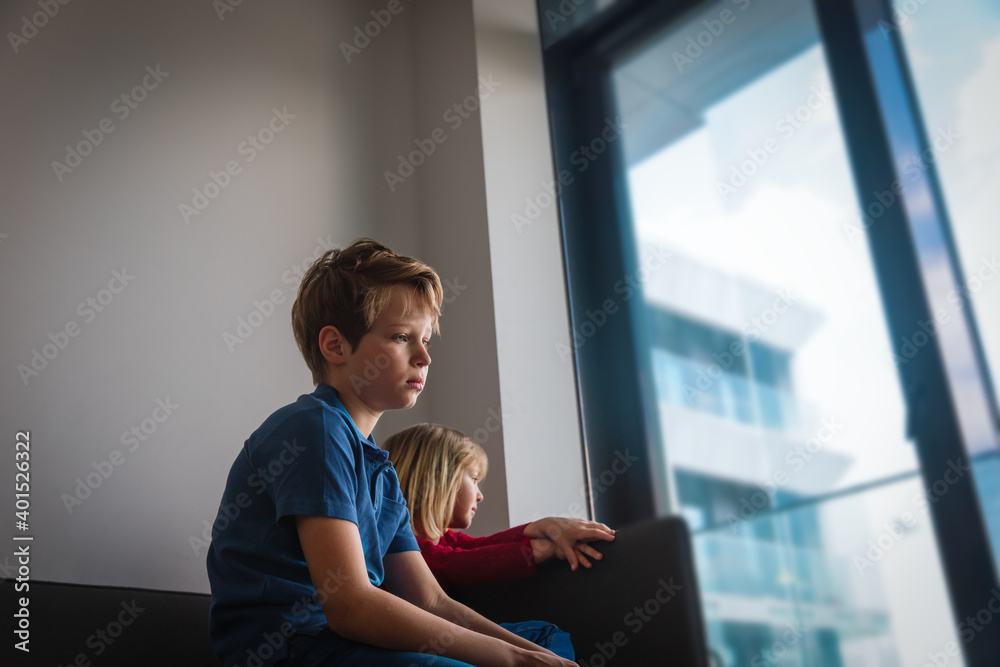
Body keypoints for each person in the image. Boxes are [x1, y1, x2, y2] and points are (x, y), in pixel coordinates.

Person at [206, 239, 576, 667]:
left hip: (345, 641)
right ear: (336, 346)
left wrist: (527, 655)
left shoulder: (381, 471)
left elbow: (431, 600)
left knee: (544, 640)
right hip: (298, 645)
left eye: (425, 341)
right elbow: (350, 605)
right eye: (402, 337)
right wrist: (514, 662)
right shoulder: (314, 429)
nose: (424, 358)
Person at [383, 423, 616, 590]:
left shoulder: (446, 540)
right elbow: (457, 565)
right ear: (439, 481)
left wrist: (544, 527)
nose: (480, 495)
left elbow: (480, 547)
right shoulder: (400, 545)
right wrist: (550, 548)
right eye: (473, 479)